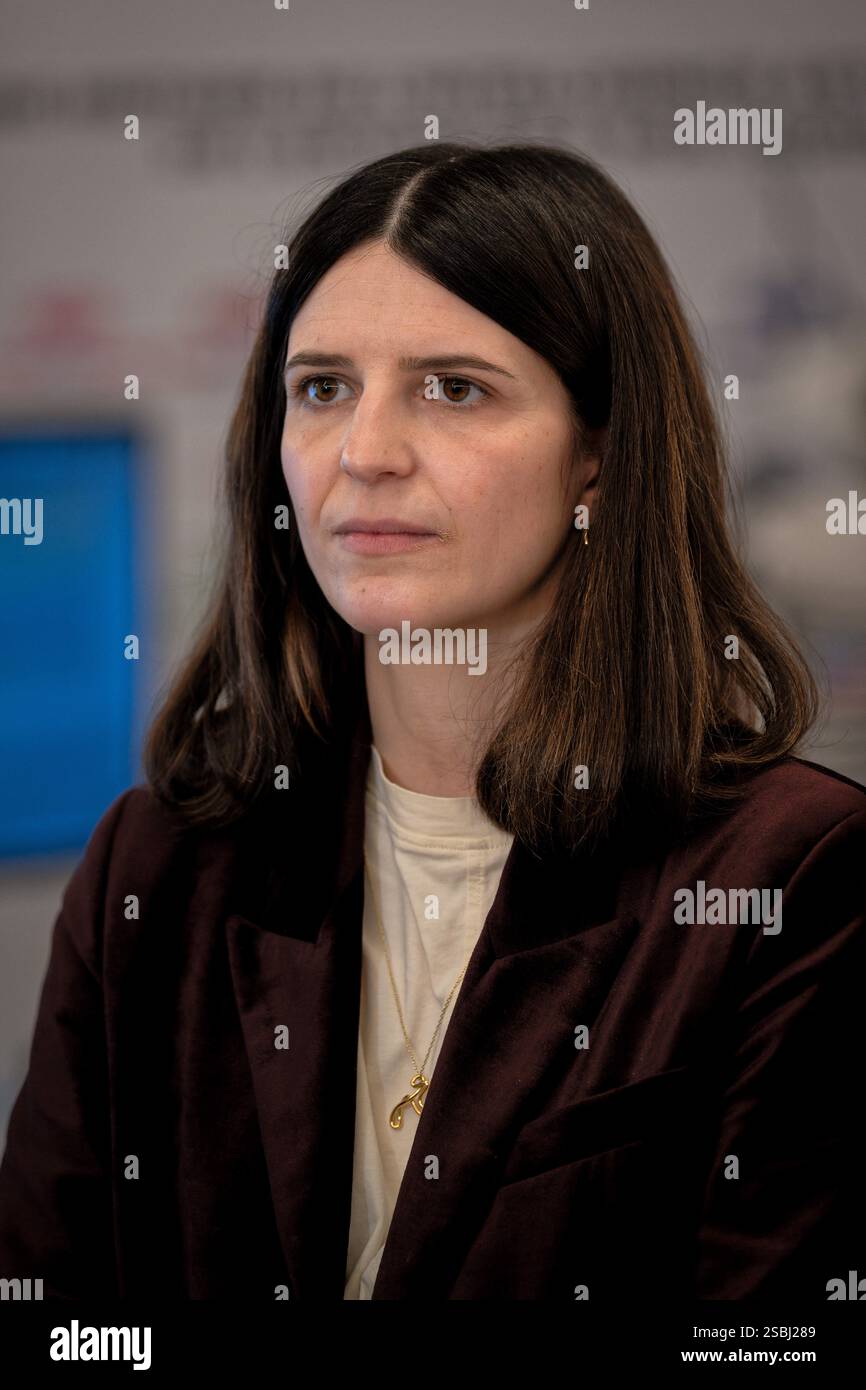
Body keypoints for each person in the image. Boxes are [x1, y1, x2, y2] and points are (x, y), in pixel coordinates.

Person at [1, 140, 864, 1302]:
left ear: (597, 456)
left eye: (453, 387)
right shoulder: (154, 871)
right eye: (321, 388)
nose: (365, 453)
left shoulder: (793, 876)